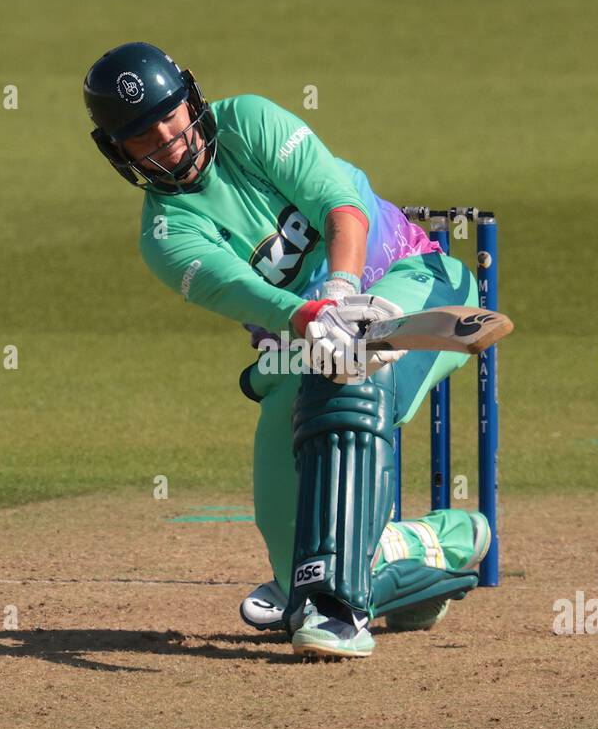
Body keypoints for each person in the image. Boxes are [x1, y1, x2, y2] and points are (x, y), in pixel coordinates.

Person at [82, 42, 493, 659]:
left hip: (415, 282)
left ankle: (341, 609)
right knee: (298, 554)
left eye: (170, 114)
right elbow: (250, 294)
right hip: (304, 344)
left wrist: (342, 290)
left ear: (191, 100)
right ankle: (439, 548)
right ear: (118, 152)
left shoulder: (248, 120)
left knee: (350, 376)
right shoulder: (165, 236)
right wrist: (316, 316)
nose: (164, 137)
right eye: (140, 134)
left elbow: (340, 205)